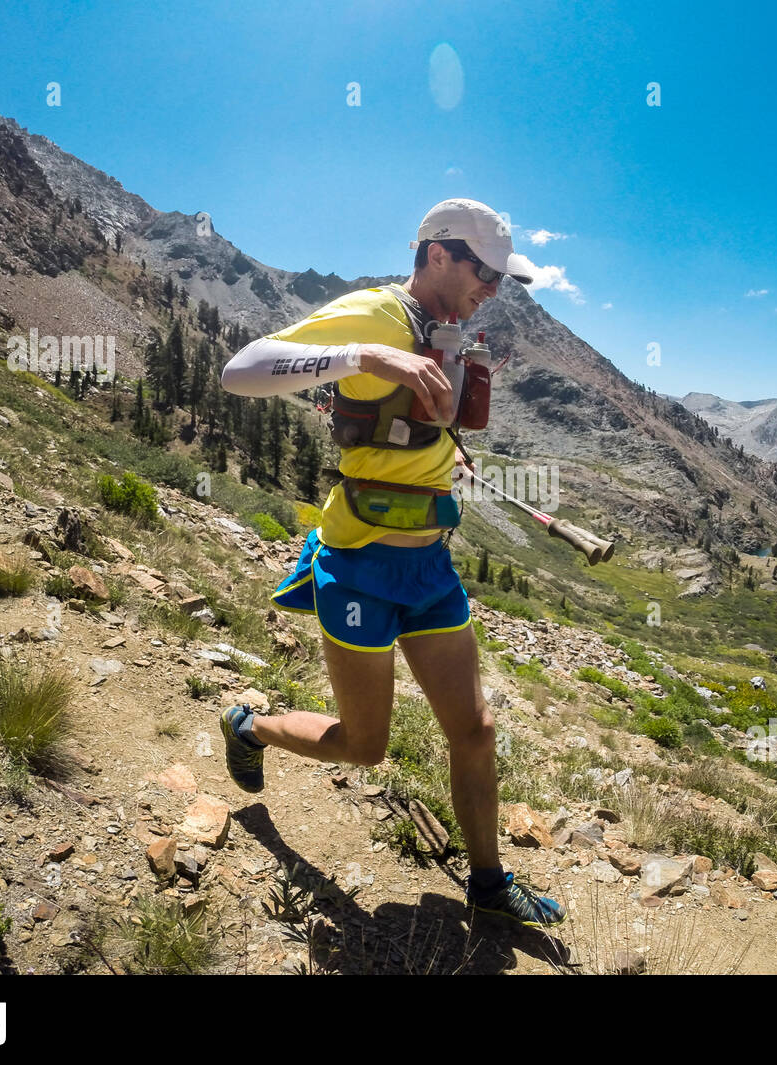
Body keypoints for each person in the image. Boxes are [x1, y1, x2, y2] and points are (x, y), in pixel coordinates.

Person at [218, 198, 565, 928]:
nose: (495, 290)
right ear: (437, 254)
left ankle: (489, 885)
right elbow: (240, 370)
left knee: (475, 730)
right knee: (364, 745)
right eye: (487, 272)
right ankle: (249, 727)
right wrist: (363, 359)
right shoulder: (377, 315)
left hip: (430, 565)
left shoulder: (447, 329)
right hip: (361, 566)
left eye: (505, 279)